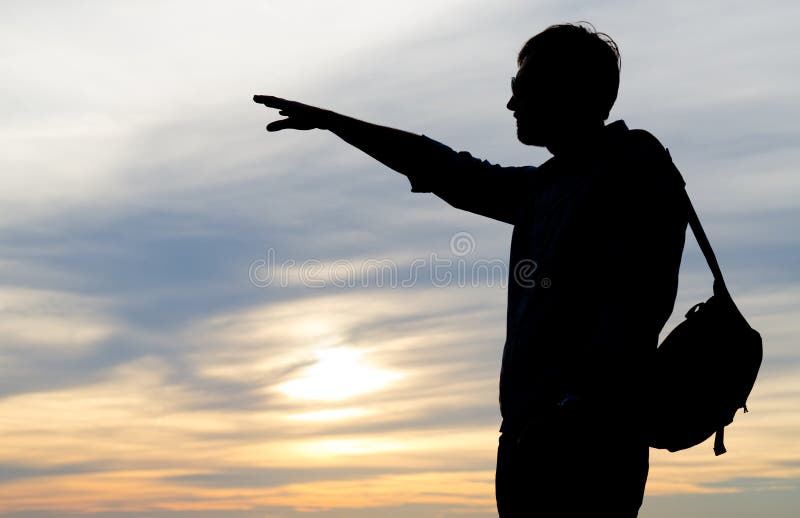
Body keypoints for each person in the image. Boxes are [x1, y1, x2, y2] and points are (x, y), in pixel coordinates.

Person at [255, 22, 689, 518]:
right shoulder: (546, 189)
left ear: (566, 90)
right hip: (533, 437)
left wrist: (576, 411)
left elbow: (637, 305)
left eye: (521, 90)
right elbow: (450, 171)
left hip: (583, 445)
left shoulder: (632, 168)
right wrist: (337, 123)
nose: (511, 106)